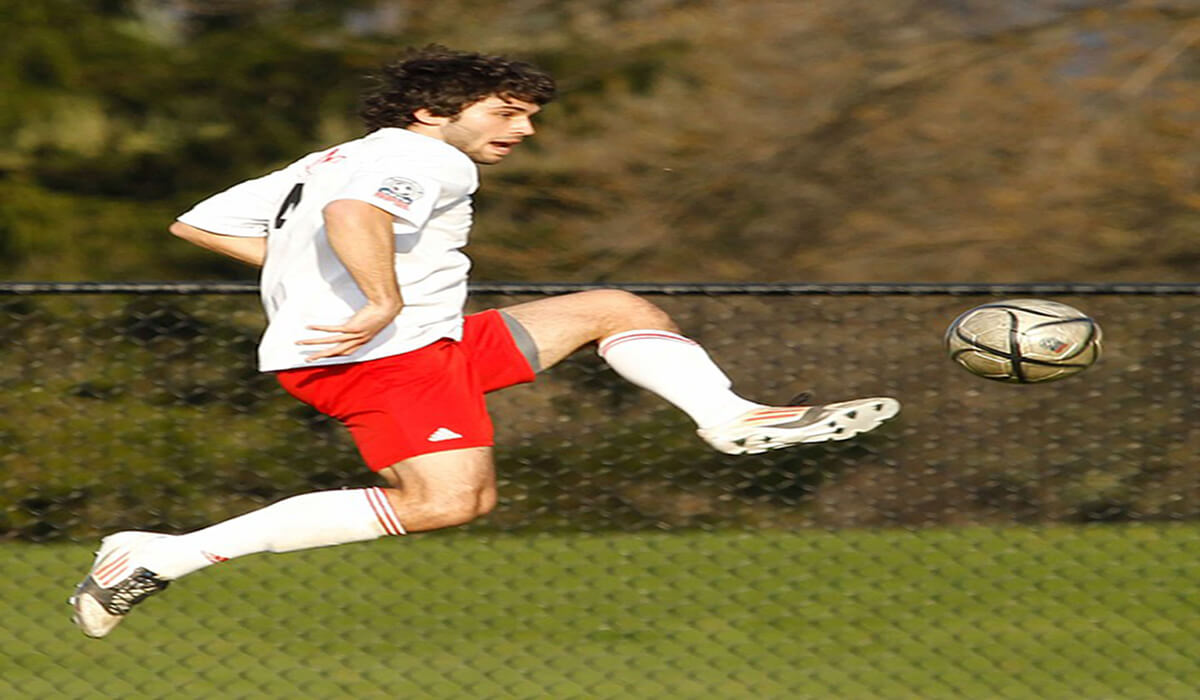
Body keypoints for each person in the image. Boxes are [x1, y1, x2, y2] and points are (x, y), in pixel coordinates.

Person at [70, 45, 900, 638]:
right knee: (448, 504)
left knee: (613, 307)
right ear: (432, 112)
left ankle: (727, 415)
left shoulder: (332, 158)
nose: (523, 130)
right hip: (383, 356)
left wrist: (319, 278)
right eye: (506, 114)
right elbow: (354, 217)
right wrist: (378, 295)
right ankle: (163, 556)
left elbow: (199, 222)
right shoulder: (431, 159)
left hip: (414, 343)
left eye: (529, 116)